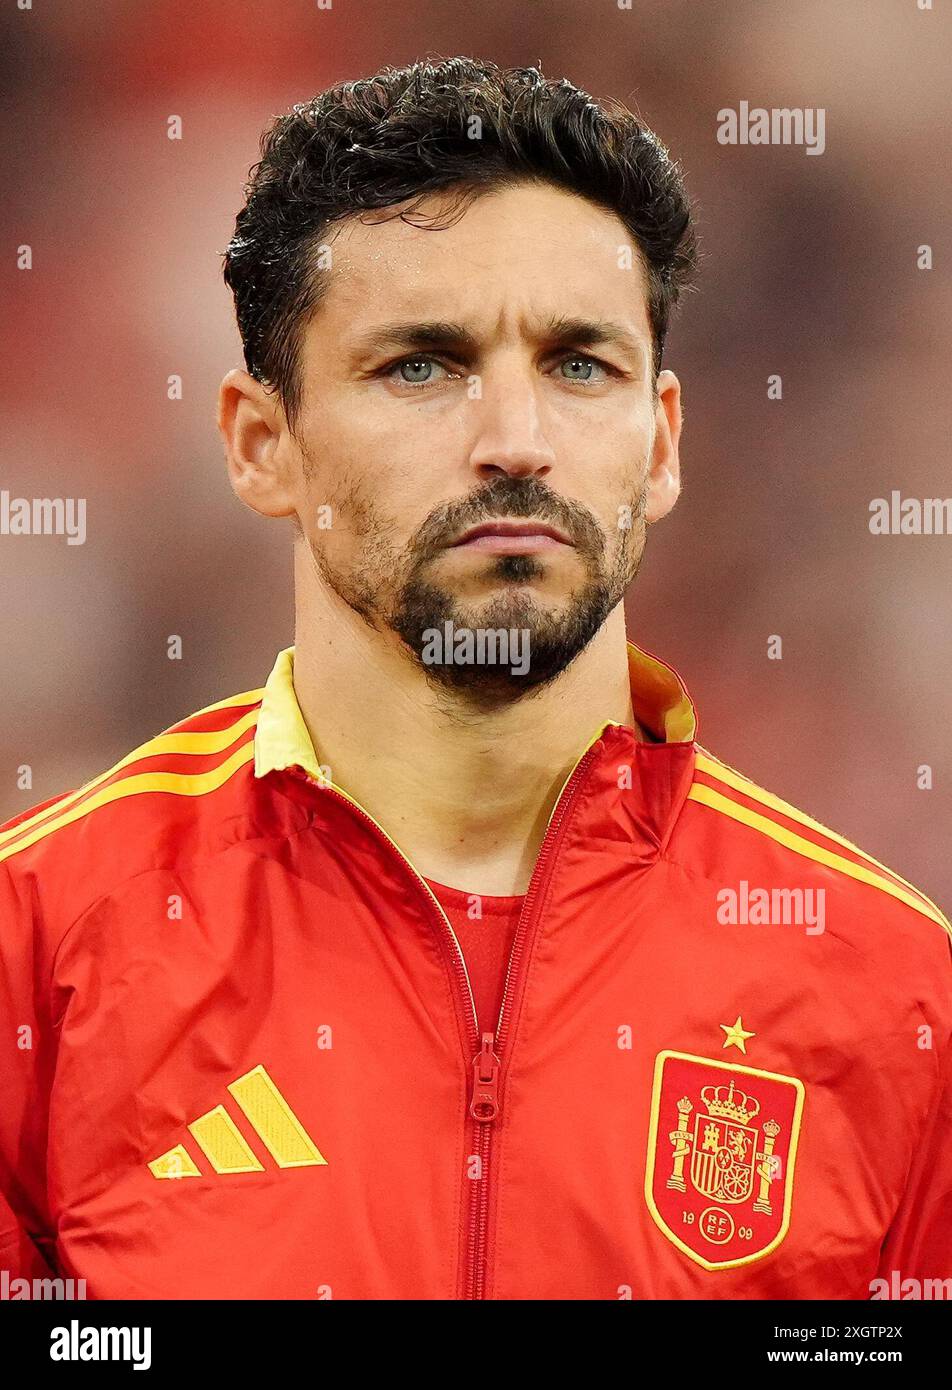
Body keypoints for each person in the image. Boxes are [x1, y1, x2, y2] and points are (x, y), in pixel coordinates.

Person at [1, 58, 949, 1301]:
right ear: (260, 442)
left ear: (660, 446)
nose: (515, 438)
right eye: (421, 366)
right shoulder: (41, 951)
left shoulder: (895, 994)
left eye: (578, 365)